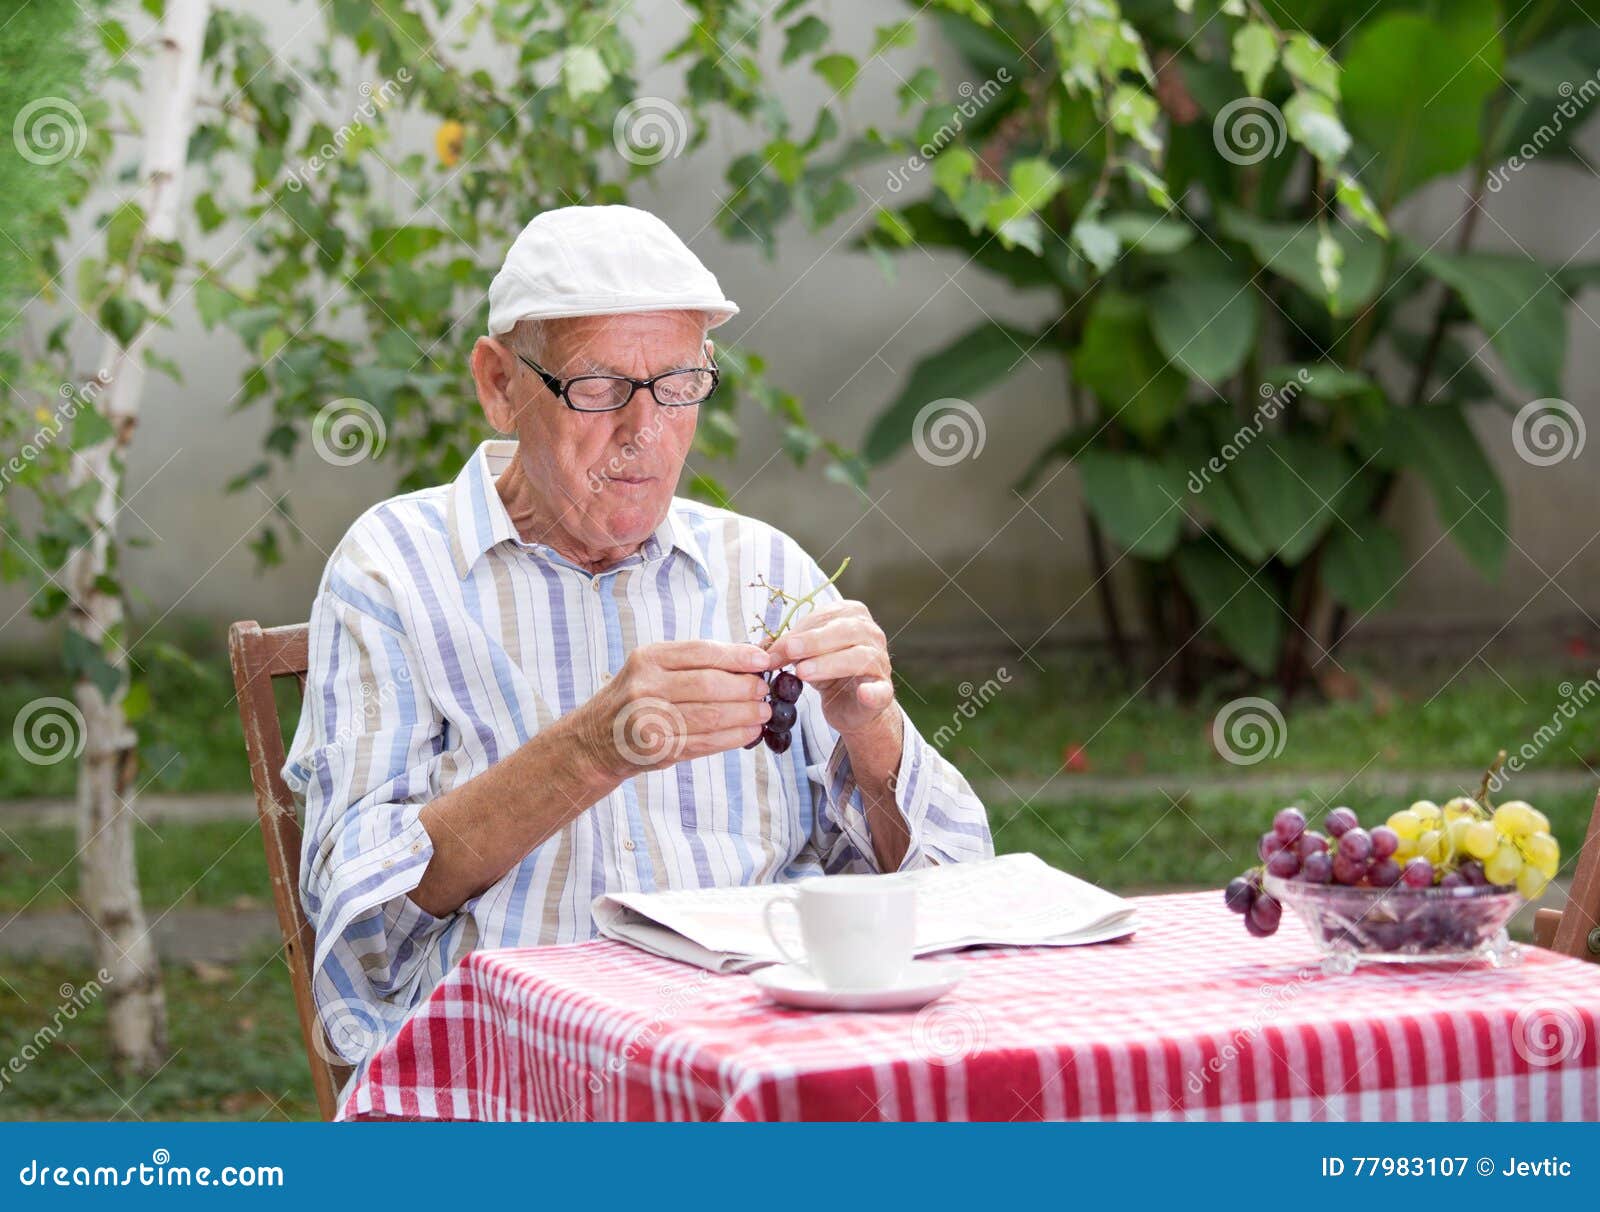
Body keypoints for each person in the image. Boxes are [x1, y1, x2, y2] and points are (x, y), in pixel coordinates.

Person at [283, 205, 993, 1071]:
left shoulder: (757, 566)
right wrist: (591, 750)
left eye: (679, 385)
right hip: (523, 1075)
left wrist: (873, 735)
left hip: (764, 1054)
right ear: (500, 383)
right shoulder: (396, 568)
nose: (645, 431)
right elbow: (359, 925)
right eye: (599, 387)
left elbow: (959, 890)